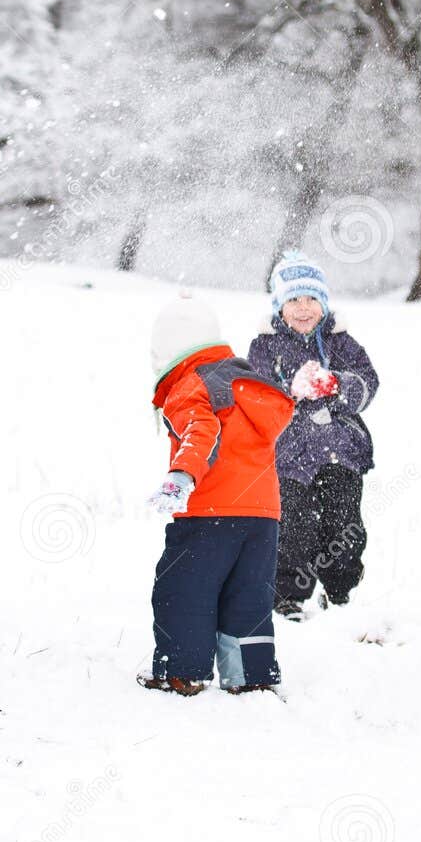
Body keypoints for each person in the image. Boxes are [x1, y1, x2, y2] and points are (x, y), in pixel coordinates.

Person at [141, 296, 294, 695]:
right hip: (262, 516)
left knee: (185, 589)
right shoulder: (246, 382)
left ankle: (182, 671)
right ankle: (250, 677)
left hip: (210, 511)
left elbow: (201, 430)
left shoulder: (191, 384)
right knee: (248, 597)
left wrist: (182, 474)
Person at [248, 253, 380, 619]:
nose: (303, 309)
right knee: (293, 526)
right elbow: (256, 394)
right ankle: (288, 594)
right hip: (289, 456)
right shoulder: (265, 346)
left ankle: (341, 592)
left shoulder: (341, 343)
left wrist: (336, 386)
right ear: (279, 306)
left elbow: (368, 383)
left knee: (344, 525)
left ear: (323, 303)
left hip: (342, 452)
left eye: (311, 300)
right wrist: (289, 389)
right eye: (294, 300)